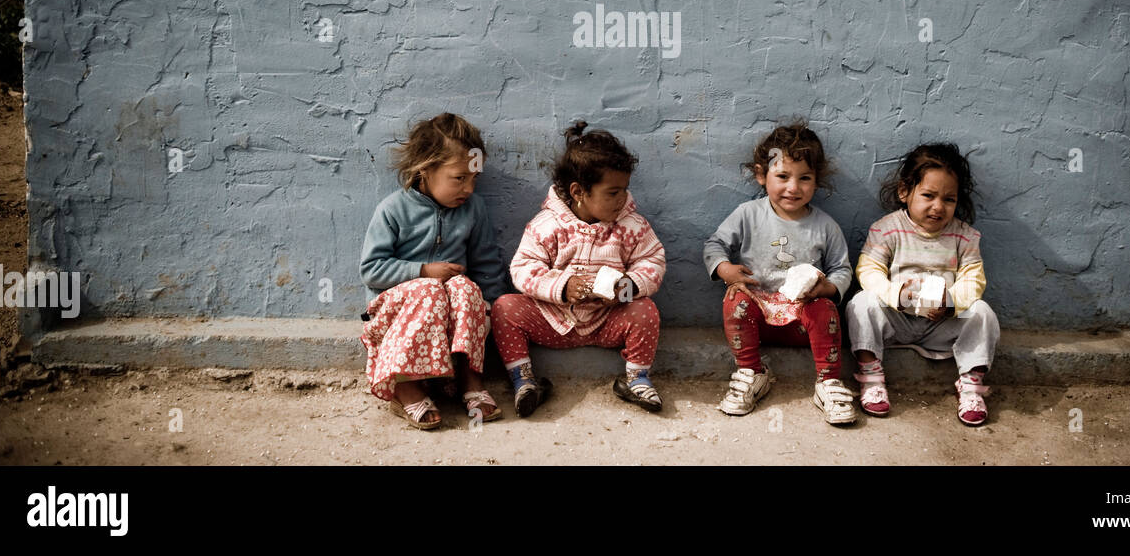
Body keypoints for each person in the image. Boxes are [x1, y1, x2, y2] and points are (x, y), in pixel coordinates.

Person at [491, 121, 666, 416]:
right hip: (553, 320)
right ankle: (524, 380)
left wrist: (629, 286)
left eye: (624, 190)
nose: (621, 198)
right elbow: (522, 267)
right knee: (504, 308)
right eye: (612, 192)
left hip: (606, 320)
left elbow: (653, 260)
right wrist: (562, 286)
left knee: (646, 310)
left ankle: (636, 379)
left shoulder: (631, 226)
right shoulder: (547, 225)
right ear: (578, 191)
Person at [358, 113, 507, 429]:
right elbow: (371, 269)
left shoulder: (473, 209)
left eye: (474, 178)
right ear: (424, 170)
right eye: (458, 178)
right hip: (396, 315)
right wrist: (423, 270)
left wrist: (489, 310)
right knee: (428, 288)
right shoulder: (393, 210)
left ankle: (470, 380)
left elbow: (487, 264)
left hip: (448, 316)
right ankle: (404, 385)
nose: (468, 188)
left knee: (466, 287)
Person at [705, 122, 857, 426]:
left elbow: (842, 268)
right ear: (762, 175)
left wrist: (827, 287)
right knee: (736, 298)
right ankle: (752, 372)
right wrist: (726, 270)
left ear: (816, 181)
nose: (793, 187)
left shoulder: (825, 226)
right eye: (783, 176)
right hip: (757, 317)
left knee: (825, 308)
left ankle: (827, 383)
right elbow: (715, 244)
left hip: (803, 321)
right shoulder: (748, 215)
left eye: (805, 178)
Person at [845, 141, 999, 426]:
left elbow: (974, 279)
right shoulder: (886, 229)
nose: (938, 207)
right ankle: (871, 376)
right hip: (896, 320)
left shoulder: (965, 237)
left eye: (949, 199)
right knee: (860, 303)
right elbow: (868, 269)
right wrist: (895, 294)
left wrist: (951, 302)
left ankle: (971, 385)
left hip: (941, 324)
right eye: (928, 195)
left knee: (983, 313)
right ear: (905, 191)